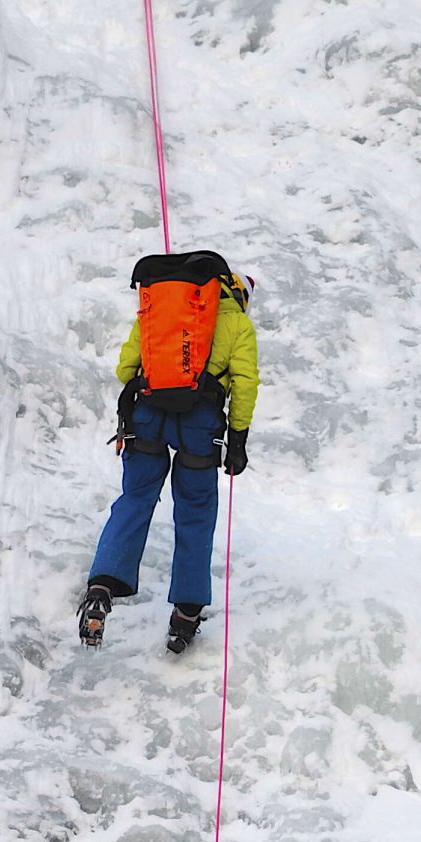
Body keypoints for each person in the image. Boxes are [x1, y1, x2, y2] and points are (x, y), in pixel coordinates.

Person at [79, 252, 258, 654]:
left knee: (136, 498)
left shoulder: (159, 310)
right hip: (199, 424)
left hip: (146, 415)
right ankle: (185, 616)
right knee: (194, 510)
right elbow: (245, 384)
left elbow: (126, 368)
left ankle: (102, 587)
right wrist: (239, 440)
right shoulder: (238, 325)